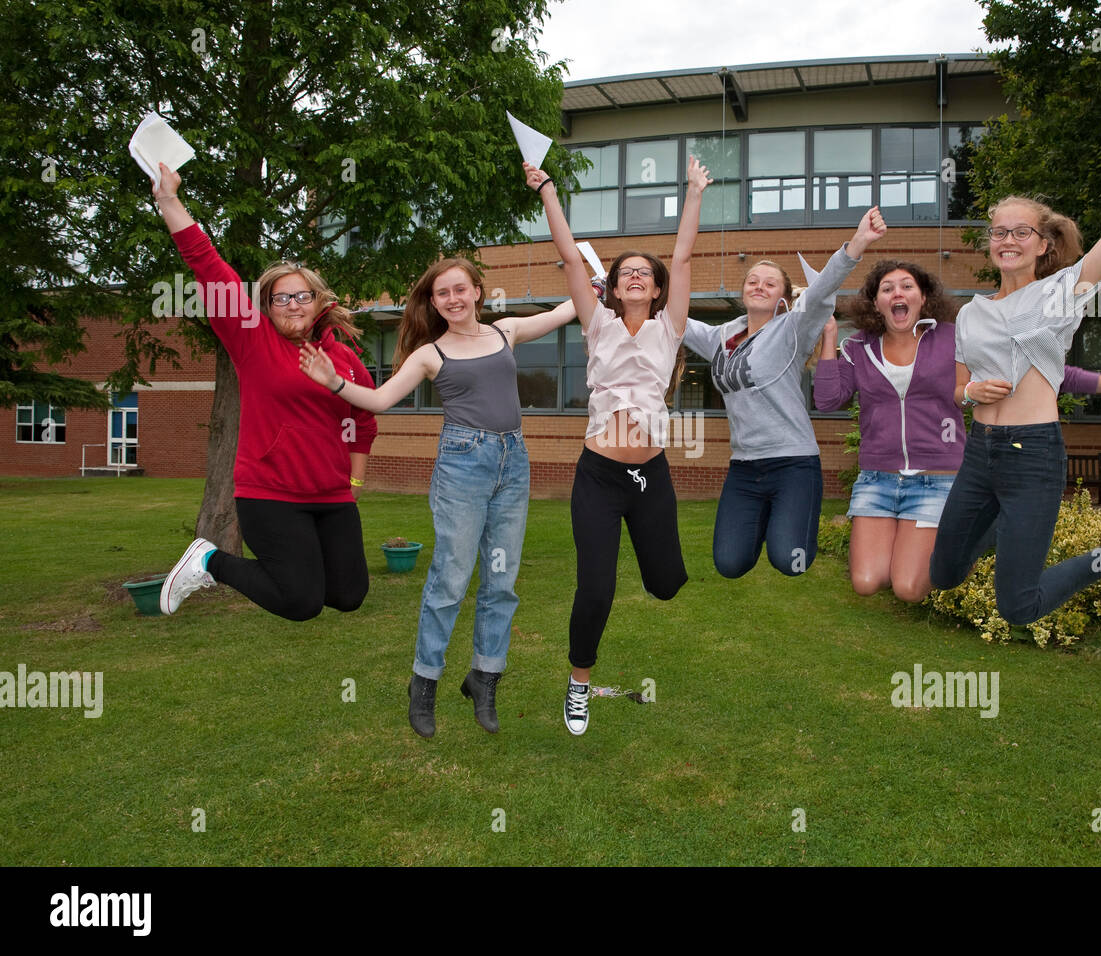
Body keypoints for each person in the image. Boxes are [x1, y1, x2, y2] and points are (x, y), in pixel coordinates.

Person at [300, 260, 577, 738]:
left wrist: (597, 283)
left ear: (477, 292)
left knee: (502, 579)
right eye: (442, 293)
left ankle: (484, 678)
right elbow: (382, 399)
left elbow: (570, 309)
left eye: (460, 289)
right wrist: (335, 383)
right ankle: (424, 682)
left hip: (513, 460)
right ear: (434, 302)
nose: (452, 299)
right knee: (450, 579)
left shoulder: (506, 332)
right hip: (463, 464)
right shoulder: (431, 354)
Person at [927, 118, 1101, 625]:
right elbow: (956, 391)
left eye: (1022, 231)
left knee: (1017, 607)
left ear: (1043, 244)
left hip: (1032, 454)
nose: (1008, 239)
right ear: (990, 244)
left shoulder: (1064, 292)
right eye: (999, 232)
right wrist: (970, 389)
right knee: (945, 573)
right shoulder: (970, 313)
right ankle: (1010, 523)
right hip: (981, 452)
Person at [815, 257, 1101, 602]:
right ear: (875, 303)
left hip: (937, 479)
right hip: (877, 479)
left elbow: (1041, 369)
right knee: (865, 582)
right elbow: (829, 400)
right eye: (886, 288)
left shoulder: (954, 337)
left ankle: (993, 522)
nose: (897, 293)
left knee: (909, 587)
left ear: (923, 298)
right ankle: (995, 520)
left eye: (906, 286)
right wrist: (829, 334)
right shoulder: (858, 347)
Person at [525, 155, 710, 736]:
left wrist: (694, 192)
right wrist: (548, 190)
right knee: (596, 587)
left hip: (650, 475)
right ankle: (579, 685)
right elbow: (568, 257)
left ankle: (654, 575)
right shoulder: (596, 323)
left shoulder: (669, 327)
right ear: (613, 285)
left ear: (656, 290)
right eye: (625, 271)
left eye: (643, 273)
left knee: (666, 583)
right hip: (600, 476)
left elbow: (682, 256)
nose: (634, 276)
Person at [152, 162, 379, 621]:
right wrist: (169, 201)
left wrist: (353, 481)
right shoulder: (251, 338)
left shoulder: (345, 357)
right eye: (281, 297)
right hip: (271, 493)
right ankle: (208, 560)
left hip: (332, 496)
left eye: (302, 296)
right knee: (300, 602)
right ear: (266, 307)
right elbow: (208, 265)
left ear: (319, 302)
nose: (292, 304)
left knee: (348, 594)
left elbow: (365, 420)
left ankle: (274, 567)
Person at [681, 207, 886, 579]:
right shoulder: (721, 337)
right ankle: (764, 519)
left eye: (769, 283)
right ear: (743, 291)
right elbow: (676, 320)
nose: (759, 286)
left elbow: (824, 288)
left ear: (783, 296)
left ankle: (788, 522)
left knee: (789, 561)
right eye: (752, 281)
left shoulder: (793, 328)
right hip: (743, 467)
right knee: (730, 564)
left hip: (793, 463)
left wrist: (857, 243)